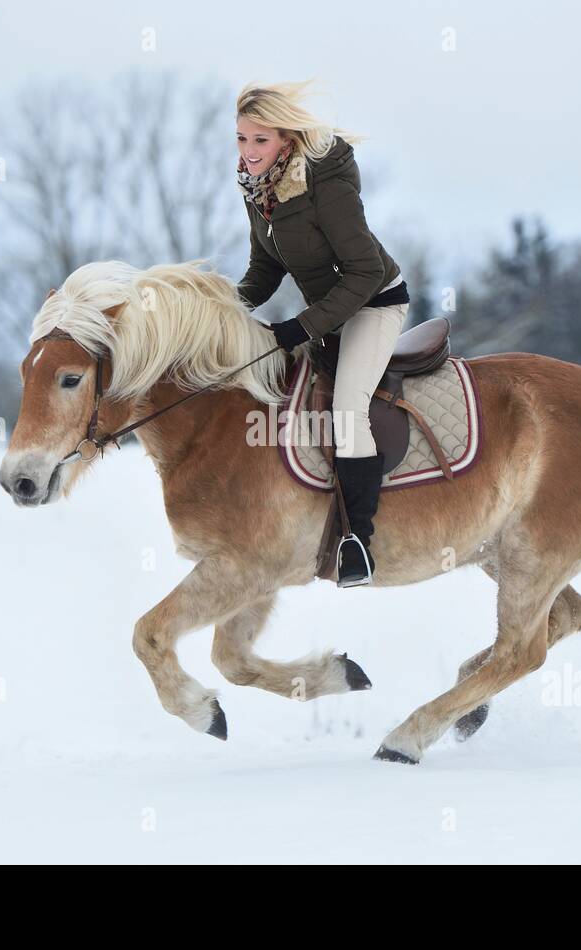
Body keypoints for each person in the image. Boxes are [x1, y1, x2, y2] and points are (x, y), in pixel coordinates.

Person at [234, 80, 410, 588]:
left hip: (375, 302)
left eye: (260, 141)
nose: (248, 153)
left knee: (347, 409)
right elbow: (264, 269)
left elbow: (363, 273)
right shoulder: (256, 188)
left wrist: (301, 326)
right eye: (241, 140)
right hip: (331, 309)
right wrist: (221, 312)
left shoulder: (325, 183)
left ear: (286, 140)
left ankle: (357, 542)